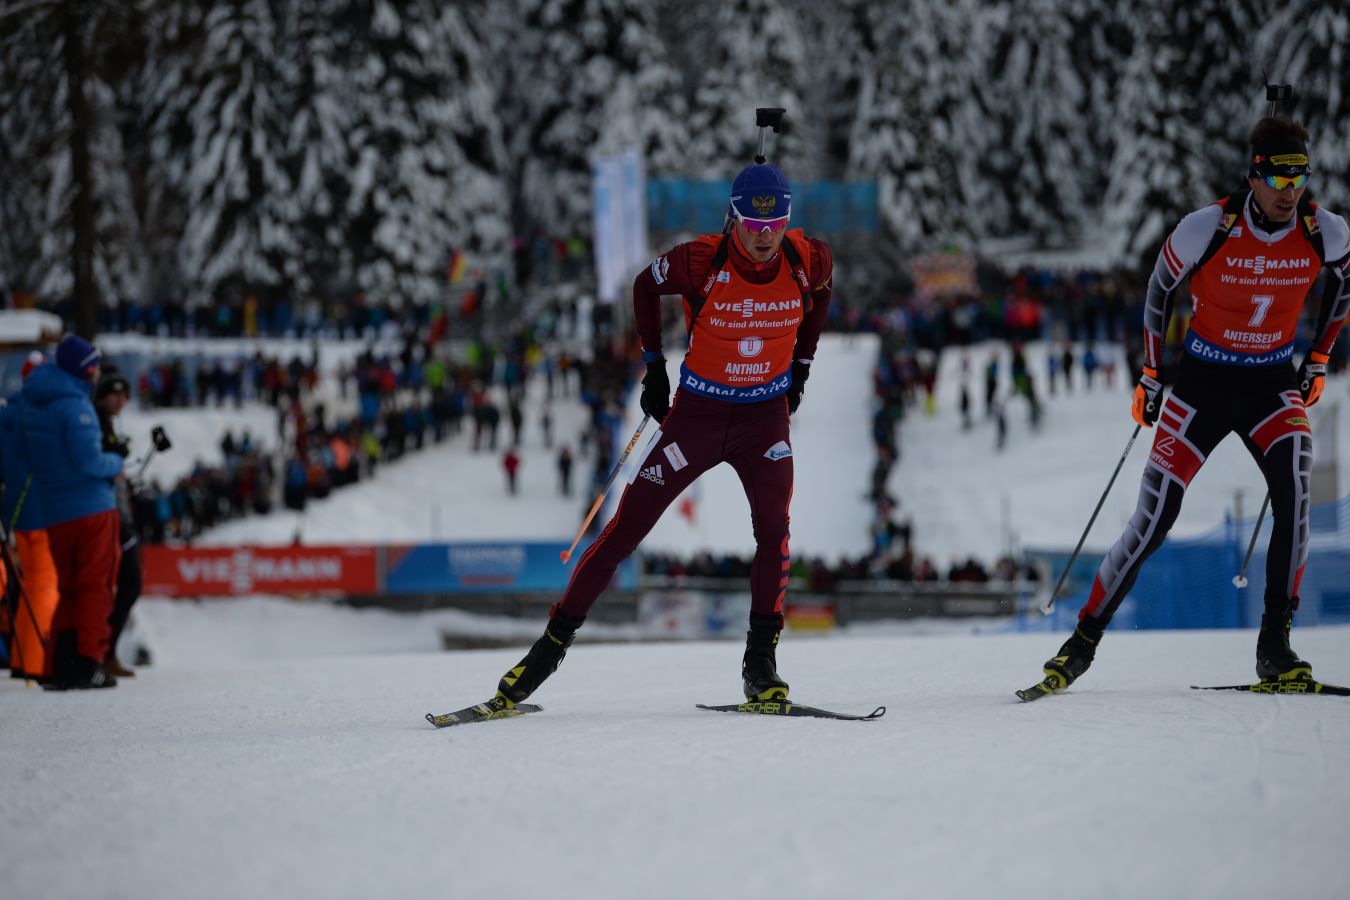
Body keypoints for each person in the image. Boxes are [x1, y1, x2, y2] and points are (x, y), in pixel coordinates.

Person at [488, 160, 833, 709]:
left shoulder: (807, 257)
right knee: (625, 529)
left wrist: (803, 366)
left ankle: (761, 665)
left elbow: (821, 296)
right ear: (733, 219)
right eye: (752, 225)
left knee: (775, 531)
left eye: (776, 225)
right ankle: (547, 652)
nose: (764, 238)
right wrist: (653, 366)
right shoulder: (701, 260)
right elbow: (643, 288)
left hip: (763, 419)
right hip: (696, 418)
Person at [1031, 115, 1350, 692]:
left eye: (1299, 176)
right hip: (1201, 384)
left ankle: (1275, 647)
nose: (1290, 190)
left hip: (1271, 385)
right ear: (1254, 176)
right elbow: (1159, 289)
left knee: (1298, 494)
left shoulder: (1323, 230)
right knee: (1154, 519)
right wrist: (1152, 374)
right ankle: (1080, 644)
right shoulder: (1209, 227)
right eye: (1278, 178)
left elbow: (1345, 283)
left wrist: (1320, 358)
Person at [22, 335, 126, 689]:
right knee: (97, 586)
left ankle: (60, 665)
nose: (97, 373)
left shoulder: (35, 404)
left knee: (68, 587)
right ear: (84, 369)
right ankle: (87, 661)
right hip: (91, 510)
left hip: (55, 511)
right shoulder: (74, 407)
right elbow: (89, 461)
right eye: (94, 365)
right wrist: (117, 461)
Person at [0, 352, 61, 682]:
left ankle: (23, 658)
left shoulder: (7, 412)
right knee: (43, 585)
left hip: (16, 510)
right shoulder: (40, 412)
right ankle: (35, 661)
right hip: (42, 508)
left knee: (28, 585)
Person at [94, 369, 141, 677]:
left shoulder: (105, 421)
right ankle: (101, 651)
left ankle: (103, 651)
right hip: (107, 514)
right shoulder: (96, 419)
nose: (122, 400)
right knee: (127, 581)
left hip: (114, 512)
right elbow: (97, 463)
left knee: (122, 583)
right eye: (117, 394)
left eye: (125, 395)